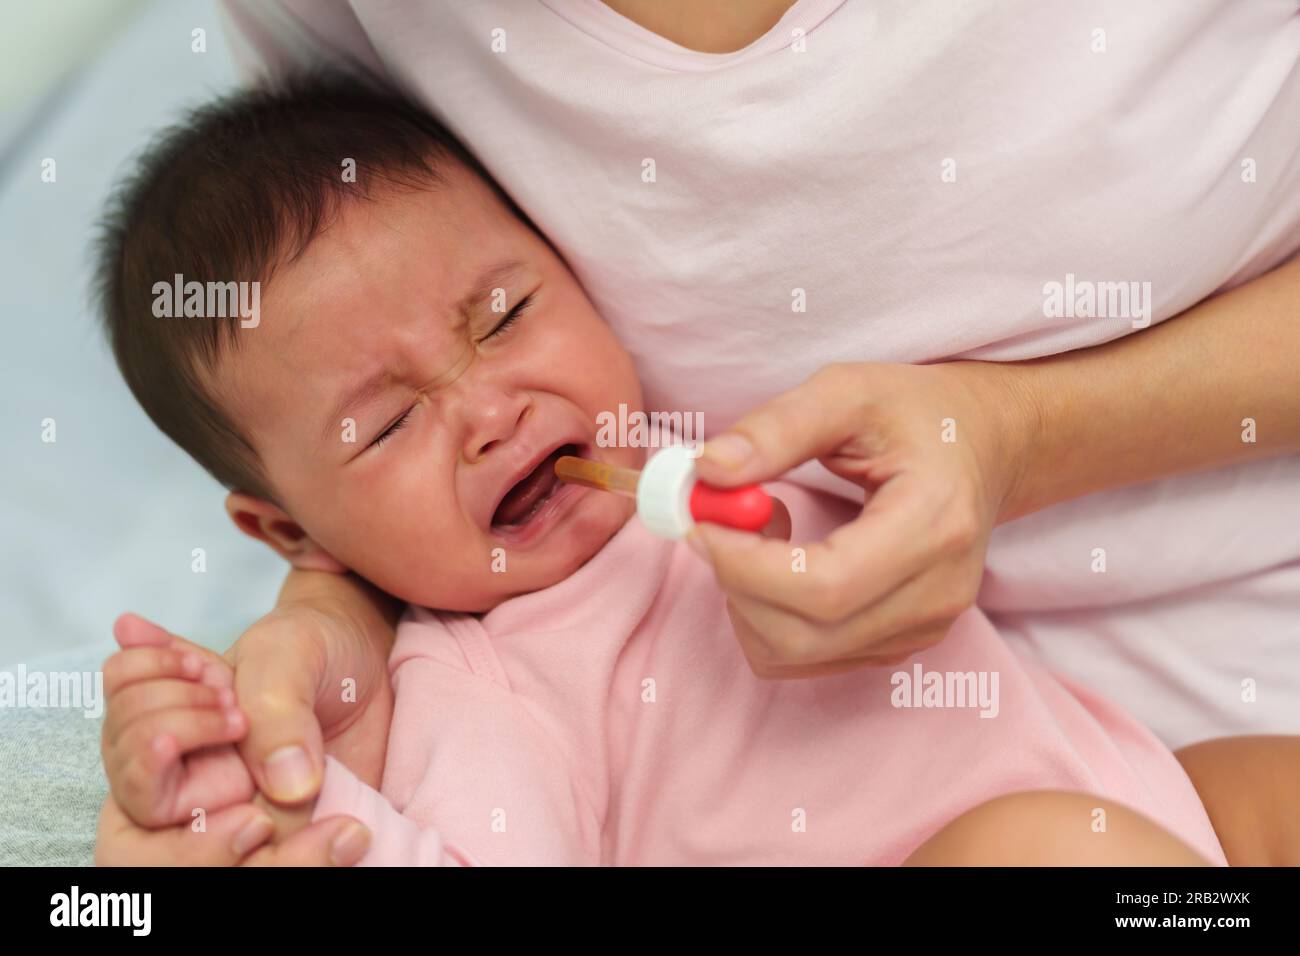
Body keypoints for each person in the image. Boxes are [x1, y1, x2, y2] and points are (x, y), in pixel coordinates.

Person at [107, 1, 1300, 861]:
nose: (488, 413)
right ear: (284, 527)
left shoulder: (718, 453)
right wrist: (285, 796)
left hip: (1148, 791)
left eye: (507, 314)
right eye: (386, 425)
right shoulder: (480, 689)